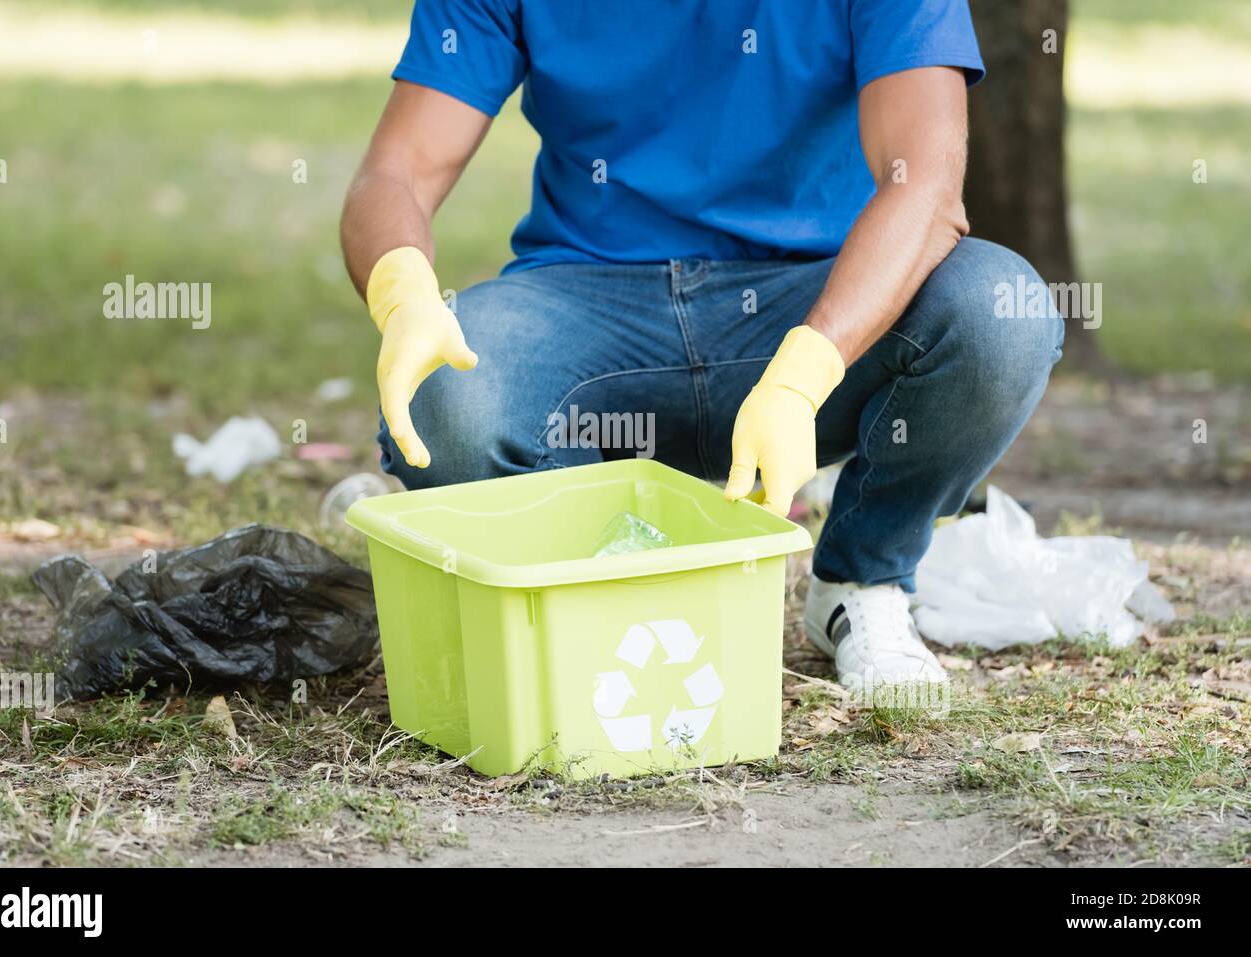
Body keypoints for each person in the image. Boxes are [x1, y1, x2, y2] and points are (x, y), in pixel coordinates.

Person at [340, 0, 1064, 692]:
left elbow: (927, 186)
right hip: (586, 304)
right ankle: (597, 574)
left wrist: (808, 367)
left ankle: (860, 580)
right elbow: (395, 171)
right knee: (448, 395)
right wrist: (401, 288)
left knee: (1002, 310)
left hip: (809, 301)